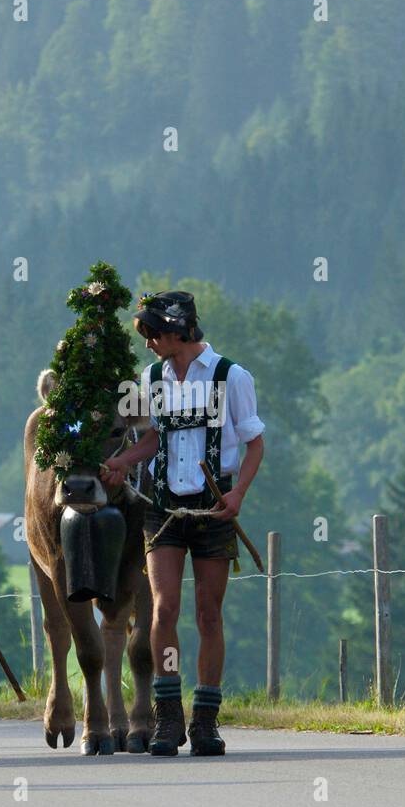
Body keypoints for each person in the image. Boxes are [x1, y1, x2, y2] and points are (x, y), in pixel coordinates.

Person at [100, 291, 265, 756]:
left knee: (208, 614)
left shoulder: (231, 376)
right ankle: (168, 719)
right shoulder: (152, 378)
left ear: (179, 331)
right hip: (165, 508)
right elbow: (155, 438)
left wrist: (237, 494)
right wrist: (121, 461)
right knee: (163, 609)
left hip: (213, 510)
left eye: (153, 334)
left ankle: (207, 722)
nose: (149, 343)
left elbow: (254, 444)